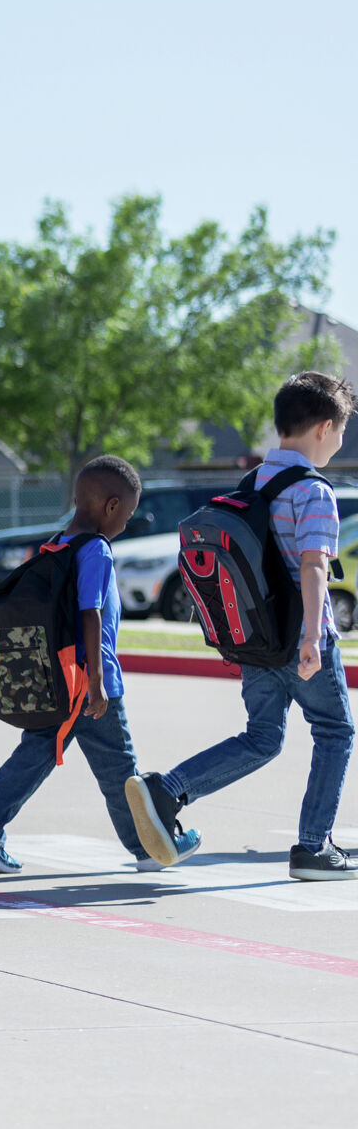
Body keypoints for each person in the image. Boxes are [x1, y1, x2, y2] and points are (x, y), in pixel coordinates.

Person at [126, 371, 358, 881]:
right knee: (336, 730)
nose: (340, 442)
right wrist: (313, 638)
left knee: (262, 736)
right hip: (301, 638)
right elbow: (314, 566)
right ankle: (313, 847)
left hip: (254, 639)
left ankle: (168, 790)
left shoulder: (252, 483)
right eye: (341, 432)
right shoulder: (314, 492)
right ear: (323, 428)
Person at [0, 457, 190, 874]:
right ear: (112, 507)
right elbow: (90, 614)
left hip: (59, 676)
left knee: (52, 756)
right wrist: (97, 681)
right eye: (129, 515)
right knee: (119, 770)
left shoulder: (58, 542)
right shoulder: (97, 549)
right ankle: (146, 849)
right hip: (89, 683)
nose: (126, 523)